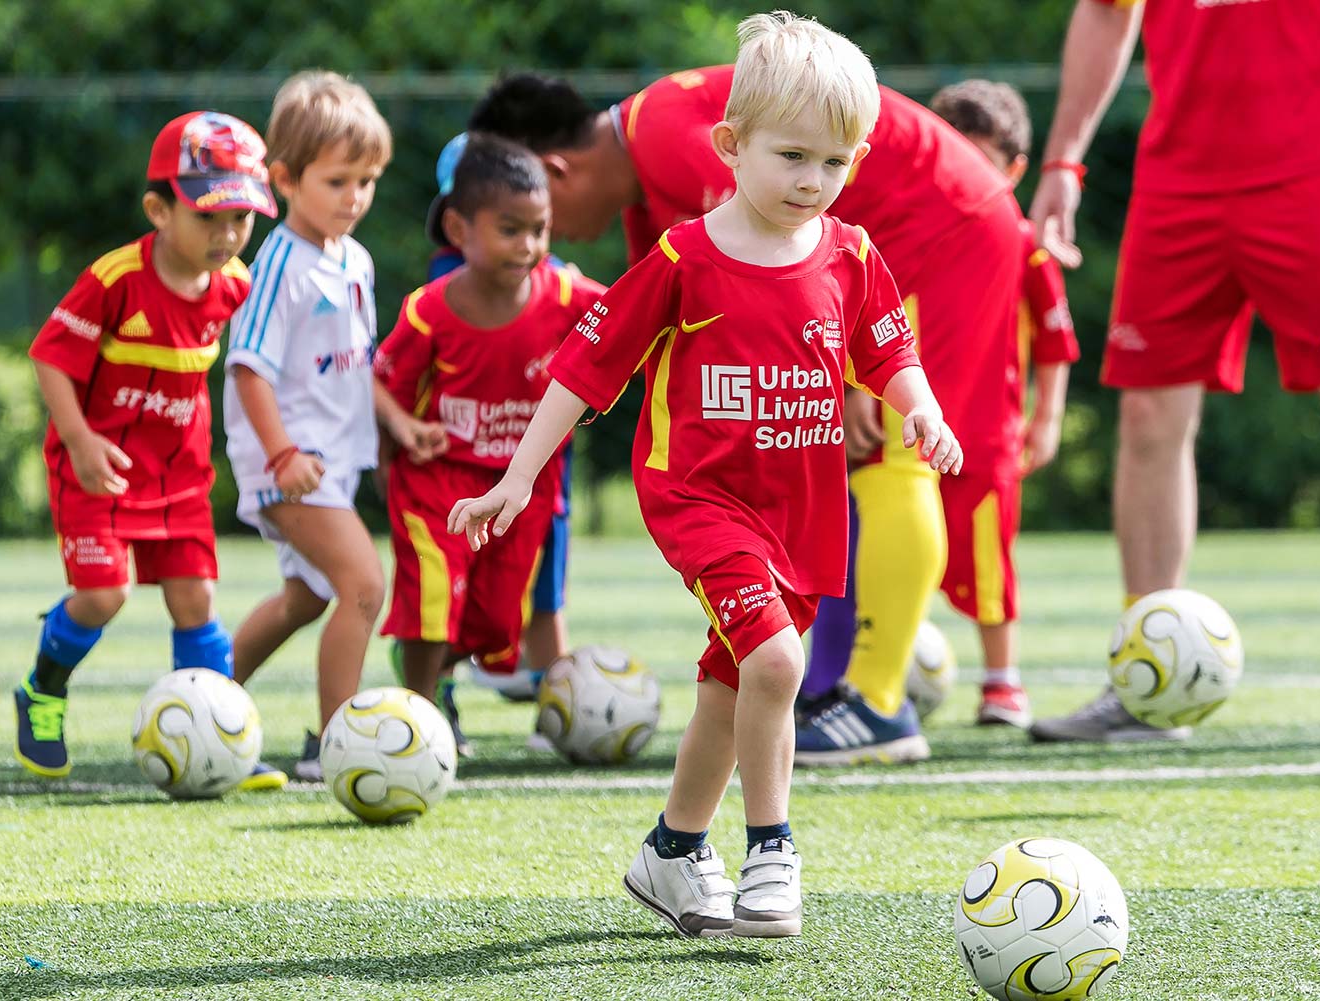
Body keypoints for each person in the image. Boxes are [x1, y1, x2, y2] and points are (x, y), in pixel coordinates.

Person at [449, 11, 961, 938]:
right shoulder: (683, 258)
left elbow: (889, 350)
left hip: (801, 513)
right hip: (699, 496)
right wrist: (517, 478)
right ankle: (773, 848)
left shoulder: (851, 254)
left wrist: (921, 407)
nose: (815, 182)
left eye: (837, 163)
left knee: (732, 687)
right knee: (776, 660)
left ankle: (673, 852)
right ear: (730, 145)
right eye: (794, 156)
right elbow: (583, 367)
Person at [469, 42, 1022, 763]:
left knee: (894, 458)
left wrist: (847, 371)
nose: (546, 232)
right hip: (927, 228)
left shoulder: (674, 144)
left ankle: (879, 703)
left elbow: (787, 268)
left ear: (553, 171)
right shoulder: (656, 176)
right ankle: (823, 697)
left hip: (947, 227)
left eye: (535, 204)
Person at [1026, 0, 1320, 744]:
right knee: (1148, 417)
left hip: (1319, 177)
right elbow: (1102, 14)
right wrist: (1063, 160)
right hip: (1177, 185)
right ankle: (1147, 677)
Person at [16, 111, 275, 780]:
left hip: (180, 477)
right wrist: (78, 439)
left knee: (196, 600)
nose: (227, 236)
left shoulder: (235, 286)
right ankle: (42, 689)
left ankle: (225, 739)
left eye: (241, 220)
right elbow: (50, 355)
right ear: (159, 209)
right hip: (98, 468)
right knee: (105, 596)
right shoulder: (115, 280)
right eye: (209, 217)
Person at [375, 135, 605, 716]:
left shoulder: (568, 296)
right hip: (438, 484)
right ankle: (416, 717)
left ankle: (426, 667)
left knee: (496, 628)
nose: (528, 246)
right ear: (459, 230)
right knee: (432, 605)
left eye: (540, 229)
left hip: (522, 488)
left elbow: (632, 320)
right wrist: (401, 430)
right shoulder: (427, 312)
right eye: (510, 229)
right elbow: (378, 383)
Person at [223, 71, 393, 781]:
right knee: (362, 585)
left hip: (333, 463)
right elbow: (247, 367)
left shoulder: (354, 258)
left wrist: (399, 423)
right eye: (337, 180)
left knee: (308, 597)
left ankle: (205, 695)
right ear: (285, 179)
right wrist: (283, 451)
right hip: (288, 463)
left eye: (367, 179)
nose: (354, 196)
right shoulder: (277, 266)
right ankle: (335, 745)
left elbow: (358, 363)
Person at [928, 79, 1080, 724]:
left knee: (987, 558)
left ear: (1015, 171)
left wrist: (1046, 419)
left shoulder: (1025, 244)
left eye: (979, 161)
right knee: (881, 552)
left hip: (988, 433)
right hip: (902, 430)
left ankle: (1001, 680)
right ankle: (871, 672)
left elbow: (1055, 341)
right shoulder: (903, 237)